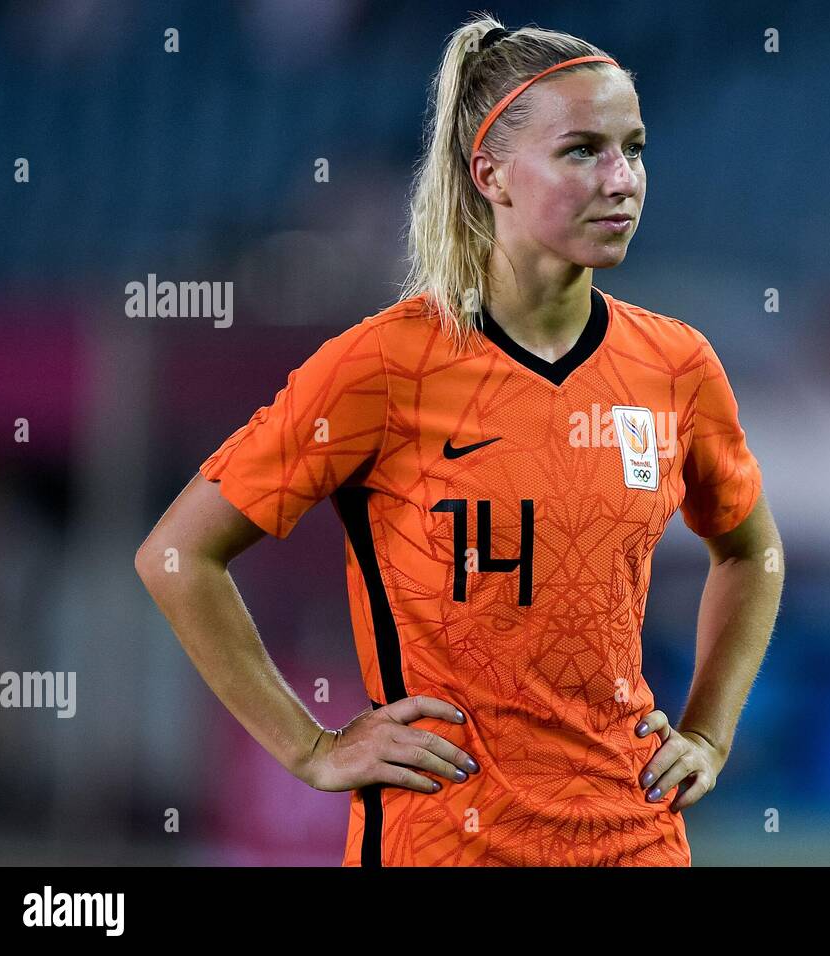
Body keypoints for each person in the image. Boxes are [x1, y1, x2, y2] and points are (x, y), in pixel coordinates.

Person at [136, 14, 784, 866]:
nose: (622, 179)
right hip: (446, 841)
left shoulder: (675, 364)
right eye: (582, 150)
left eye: (634, 147)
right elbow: (178, 556)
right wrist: (310, 746)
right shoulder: (386, 364)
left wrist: (708, 731)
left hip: (635, 839)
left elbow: (751, 554)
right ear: (491, 173)